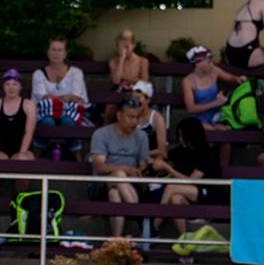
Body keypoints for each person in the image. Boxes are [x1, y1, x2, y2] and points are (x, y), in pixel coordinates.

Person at [89, 107, 151, 240]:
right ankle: (138, 215)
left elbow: (143, 167)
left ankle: (116, 240)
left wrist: (140, 170)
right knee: (118, 174)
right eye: (131, 117)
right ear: (119, 115)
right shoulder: (101, 134)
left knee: (114, 193)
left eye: (137, 118)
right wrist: (125, 169)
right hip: (102, 185)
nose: (134, 122)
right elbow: (99, 167)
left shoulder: (142, 136)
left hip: (131, 186)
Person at [149, 116, 211, 239]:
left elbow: (191, 181)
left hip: (206, 193)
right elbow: (164, 155)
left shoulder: (207, 153)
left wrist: (168, 168)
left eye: (183, 136)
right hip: (187, 197)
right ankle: (186, 241)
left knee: (172, 187)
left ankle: (154, 227)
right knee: (176, 199)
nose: (180, 139)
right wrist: (154, 160)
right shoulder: (183, 150)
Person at [31, 37, 88, 124]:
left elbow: (75, 97)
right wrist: (65, 97)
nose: (56, 53)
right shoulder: (38, 74)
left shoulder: (76, 72)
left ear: (65, 54)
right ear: (48, 53)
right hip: (45, 112)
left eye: (59, 50)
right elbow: (42, 97)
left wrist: (52, 97)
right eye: (53, 49)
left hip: (71, 112)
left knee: (67, 121)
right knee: (48, 121)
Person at [181, 46, 243, 124]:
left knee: (224, 129)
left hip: (217, 117)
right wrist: (216, 103)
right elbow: (191, 108)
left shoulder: (214, 71)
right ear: (197, 64)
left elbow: (230, 78)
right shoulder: (188, 81)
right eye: (208, 61)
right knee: (206, 128)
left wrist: (237, 79)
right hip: (199, 121)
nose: (212, 64)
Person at [0, 69, 37, 160]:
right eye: (7, 84)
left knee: (22, 159)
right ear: (3, 87)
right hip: (1, 150)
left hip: (23, 149)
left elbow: (29, 132)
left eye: (14, 84)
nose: (11, 88)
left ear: (20, 86)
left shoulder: (29, 105)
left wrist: (22, 153)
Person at [122, 80, 168, 162]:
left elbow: (161, 150)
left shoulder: (156, 118)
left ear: (148, 100)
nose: (135, 102)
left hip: (152, 158)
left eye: (138, 98)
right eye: (133, 98)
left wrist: (142, 154)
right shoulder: (129, 116)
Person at [106, 30, 149, 102]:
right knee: (111, 101)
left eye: (127, 47)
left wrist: (126, 80)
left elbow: (144, 81)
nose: (124, 51)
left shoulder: (142, 61)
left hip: (137, 90)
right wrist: (121, 60)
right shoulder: (113, 61)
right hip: (119, 91)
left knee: (134, 99)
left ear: (133, 45)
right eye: (121, 48)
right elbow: (116, 81)